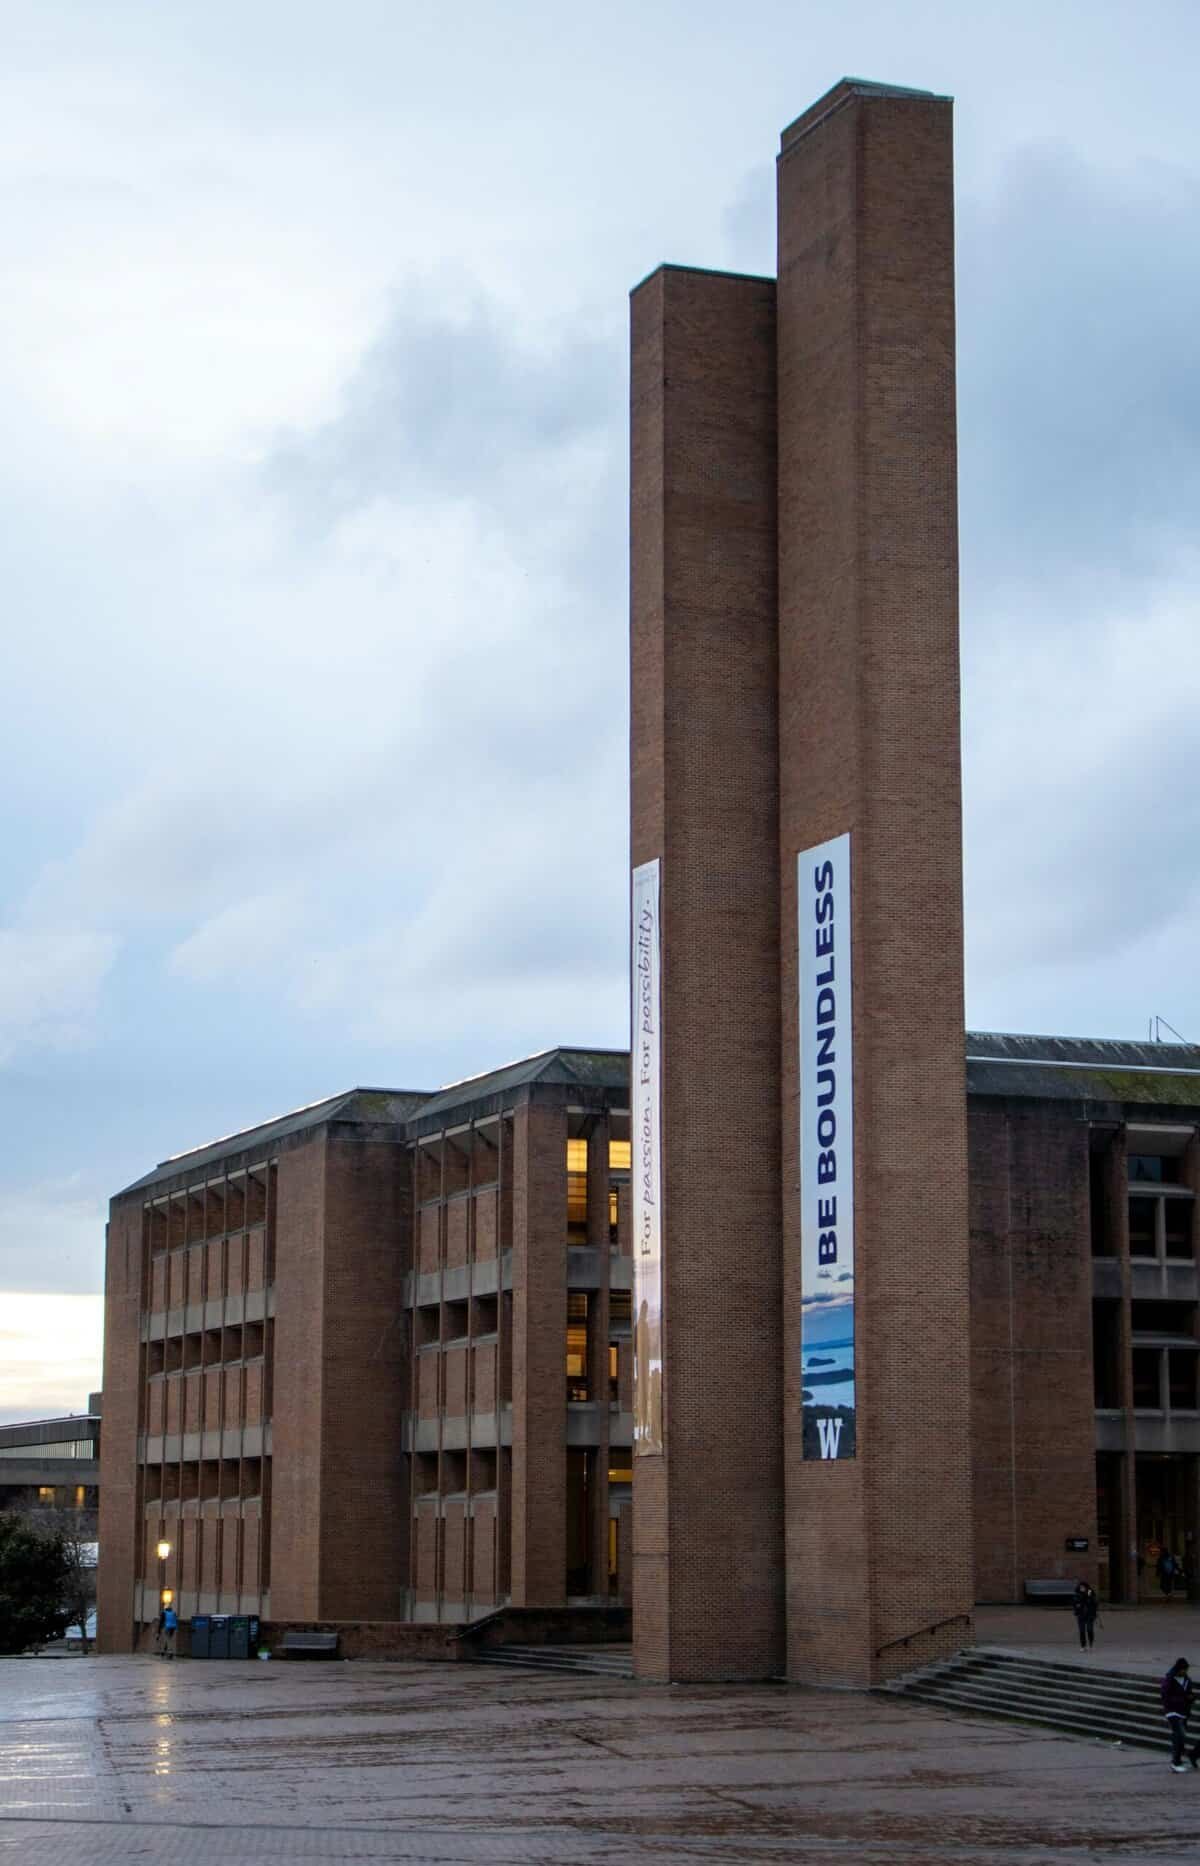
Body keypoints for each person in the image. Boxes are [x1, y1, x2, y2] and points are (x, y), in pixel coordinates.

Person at [1161, 1657, 1200, 1772]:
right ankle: (1175, 1762)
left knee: (1181, 1736)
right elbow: (1165, 1696)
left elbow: (1189, 1694)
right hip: (1172, 1711)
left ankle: (1182, 1756)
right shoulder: (1169, 1679)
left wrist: (1191, 1698)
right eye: (1184, 1670)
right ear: (1179, 1669)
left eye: (1186, 1670)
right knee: (1179, 1733)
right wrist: (1182, 1699)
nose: (1185, 1672)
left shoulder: (1187, 1680)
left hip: (1183, 1712)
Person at [1072, 1580, 1099, 1650]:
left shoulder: (1090, 1592)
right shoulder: (1077, 1593)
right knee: (1082, 1631)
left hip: (1090, 1615)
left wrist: (1087, 1599)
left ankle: (1091, 1644)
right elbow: (1075, 1604)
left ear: (1086, 1587)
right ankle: (1083, 1646)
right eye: (1081, 1587)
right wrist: (1077, 1608)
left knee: (1089, 1630)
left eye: (1083, 1587)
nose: (1082, 1588)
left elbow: (1093, 1602)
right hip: (1080, 1615)